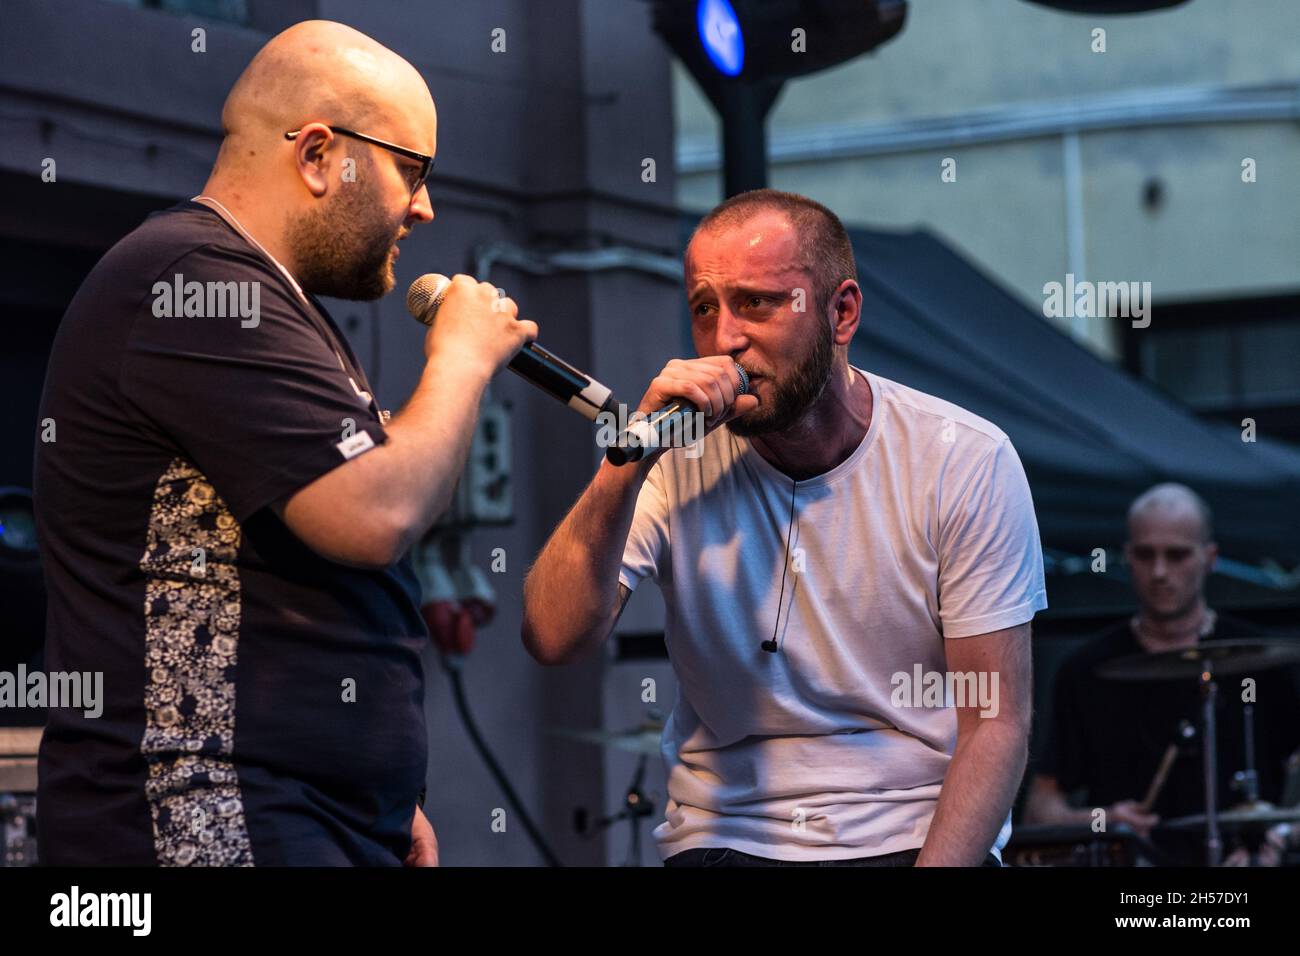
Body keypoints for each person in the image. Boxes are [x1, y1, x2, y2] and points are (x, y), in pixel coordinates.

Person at [34, 21, 537, 866]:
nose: (425, 206)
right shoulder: (192, 282)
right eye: (412, 171)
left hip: (298, 809)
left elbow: (309, 575)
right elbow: (374, 511)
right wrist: (460, 357)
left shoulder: (270, 302)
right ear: (316, 155)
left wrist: (375, 794)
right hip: (202, 807)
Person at [522, 189, 1046, 866]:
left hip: (911, 832)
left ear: (842, 312)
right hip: (727, 837)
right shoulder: (671, 458)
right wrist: (627, 458)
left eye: (757, 304)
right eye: (704, 309)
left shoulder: (963, 459)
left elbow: (996, 725)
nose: (725, 338)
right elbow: (553, 635)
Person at [1025, 484, 1300, 855]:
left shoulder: (1266, 662)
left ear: (1210, 556)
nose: (1159, 572)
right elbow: (1039, 812)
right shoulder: (1087, 669)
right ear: (1127, 557)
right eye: (1145, 554)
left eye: (1177, 555)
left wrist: (1277, 837)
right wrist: (1105, 820)